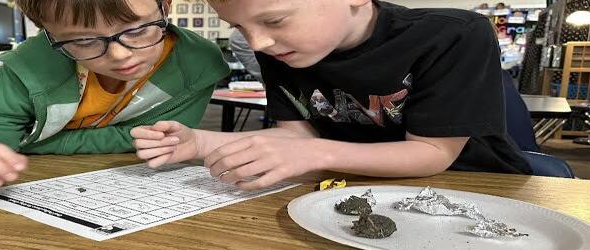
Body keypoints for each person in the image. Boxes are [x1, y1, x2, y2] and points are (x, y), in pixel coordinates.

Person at [131, 0, 533, 190]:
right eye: (238, 26)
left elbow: (434, 154)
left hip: (474, 187)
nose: (258, 41)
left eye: (274, 19)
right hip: (355, 187)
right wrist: (201, 141)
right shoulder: (280, 47)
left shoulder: (452, 34)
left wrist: (319, 154)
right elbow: (296, 137)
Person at [0, 0, 229, 193]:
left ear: (165, 6)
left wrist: (30, 141)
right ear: (48, 33)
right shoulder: (32, 61)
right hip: (34, 185)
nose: (120, 55)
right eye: (83, 41)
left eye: (137, 29)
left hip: (132, 182)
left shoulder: (198, 65)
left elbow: (156, 140)